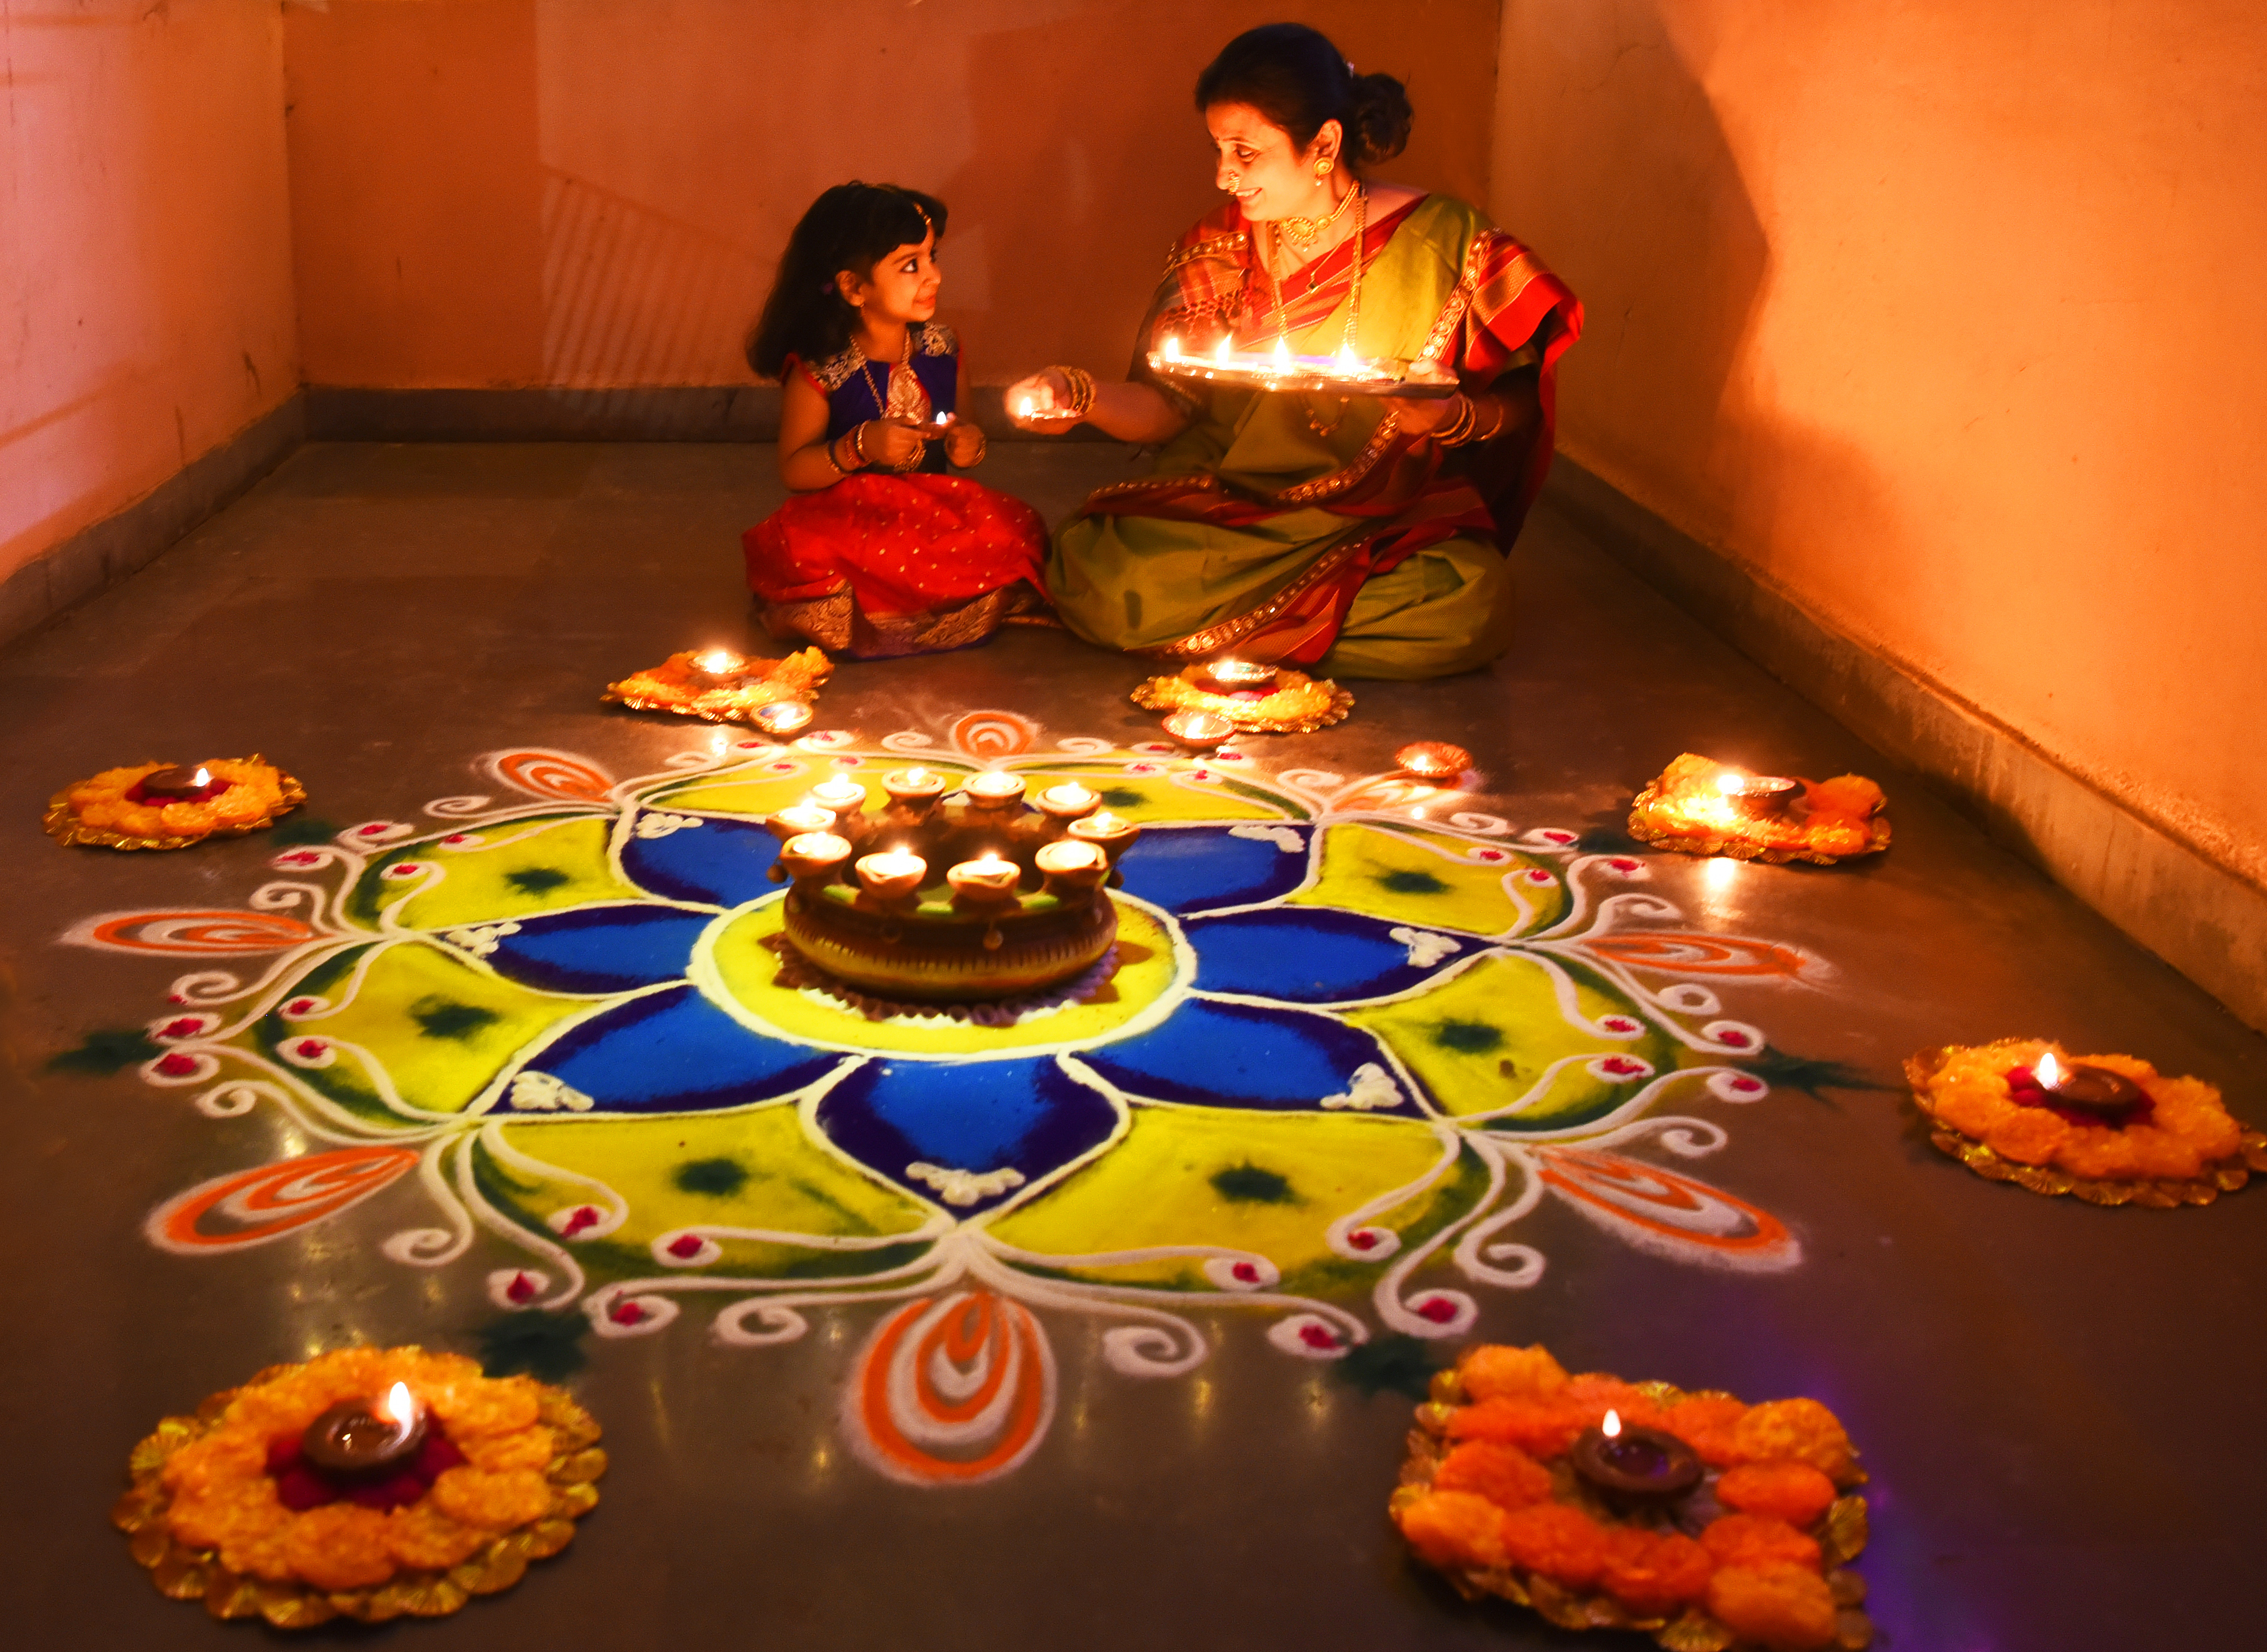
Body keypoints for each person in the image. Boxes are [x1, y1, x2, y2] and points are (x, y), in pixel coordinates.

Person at [1009, 24, 1581, 679]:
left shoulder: (1445, 238)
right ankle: (1297, 627)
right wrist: (1078, 396)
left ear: (1325, 143)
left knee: (1467, 604)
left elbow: (1520, 400)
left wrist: (1453, 419)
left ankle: (1233, 628)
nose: (1223, 175)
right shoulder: (1218, 244)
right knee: (1106, 576)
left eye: (1244, 153)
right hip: (1231, 496)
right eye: (1218, 149)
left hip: (1374, 507)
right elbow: (1170, 405)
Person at [745, 182, 1048, 658]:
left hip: (933, 516)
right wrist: (860, 446)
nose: (934, 277)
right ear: (852, 287)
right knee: (802, 552)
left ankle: (904, 595)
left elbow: (964, 428)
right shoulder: (822, 367)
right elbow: (794, 469)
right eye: (911, 265)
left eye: (933, 257)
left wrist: (969, 444)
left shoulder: (943, 348)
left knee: (1016, 530)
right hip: (852, 521)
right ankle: (915, 598)